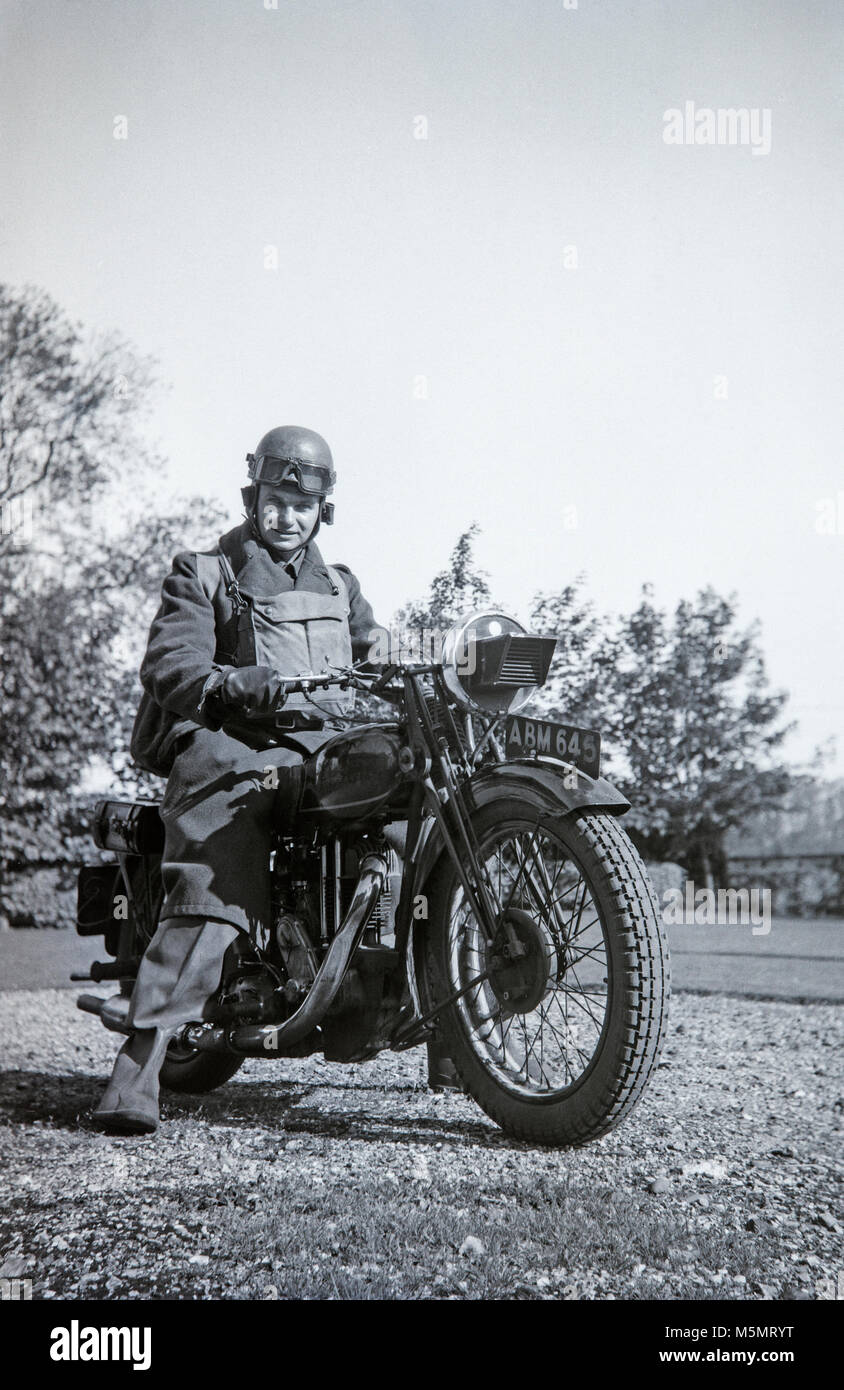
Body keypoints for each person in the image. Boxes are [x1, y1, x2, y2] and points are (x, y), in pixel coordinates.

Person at [93, 426, 378, 1134]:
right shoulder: (204, 572)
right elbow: (169, 665)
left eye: (301, 505)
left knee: (407, 811)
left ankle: (454, 1040)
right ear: (255, 498)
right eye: (275, 500)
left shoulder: (342, 586)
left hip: (321, 746)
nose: (287, 516)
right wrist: (226, 685)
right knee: (216, 871)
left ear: (323, 512)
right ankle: (138, 1069)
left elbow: (378, 655)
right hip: (232, 741)